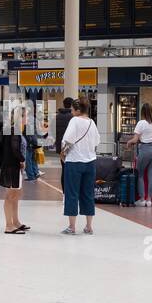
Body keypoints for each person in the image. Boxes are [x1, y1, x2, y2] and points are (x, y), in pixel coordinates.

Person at [59, 97, 99, 235]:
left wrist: (63, 153)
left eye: (72, 109)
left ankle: (72, 227)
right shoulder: (92, 123)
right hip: (90, 162)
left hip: (75, 162)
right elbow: (97, 141)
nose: (70, 111)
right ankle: (89, 226)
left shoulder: (74, 121)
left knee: (72, 194)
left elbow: (68, 140)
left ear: (77, 109)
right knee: (88, 194)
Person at [124, 103, 152, 207]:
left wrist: (129, 142)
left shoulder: (141, 123)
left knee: (140, 174)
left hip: (145, 149)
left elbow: (135, 139)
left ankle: (142, 199)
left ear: (142, 112)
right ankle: (149, 200)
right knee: (151, 174)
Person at [0, 105, 27, 233]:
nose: (27, 119)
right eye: (26, 116)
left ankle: (15, 221)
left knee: (16, 195)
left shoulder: (15, 129)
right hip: (11, 166)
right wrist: (22, 160)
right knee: (10, 196)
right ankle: (9, 225)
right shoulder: (14, 130)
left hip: (12, 166)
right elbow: (15, 150)